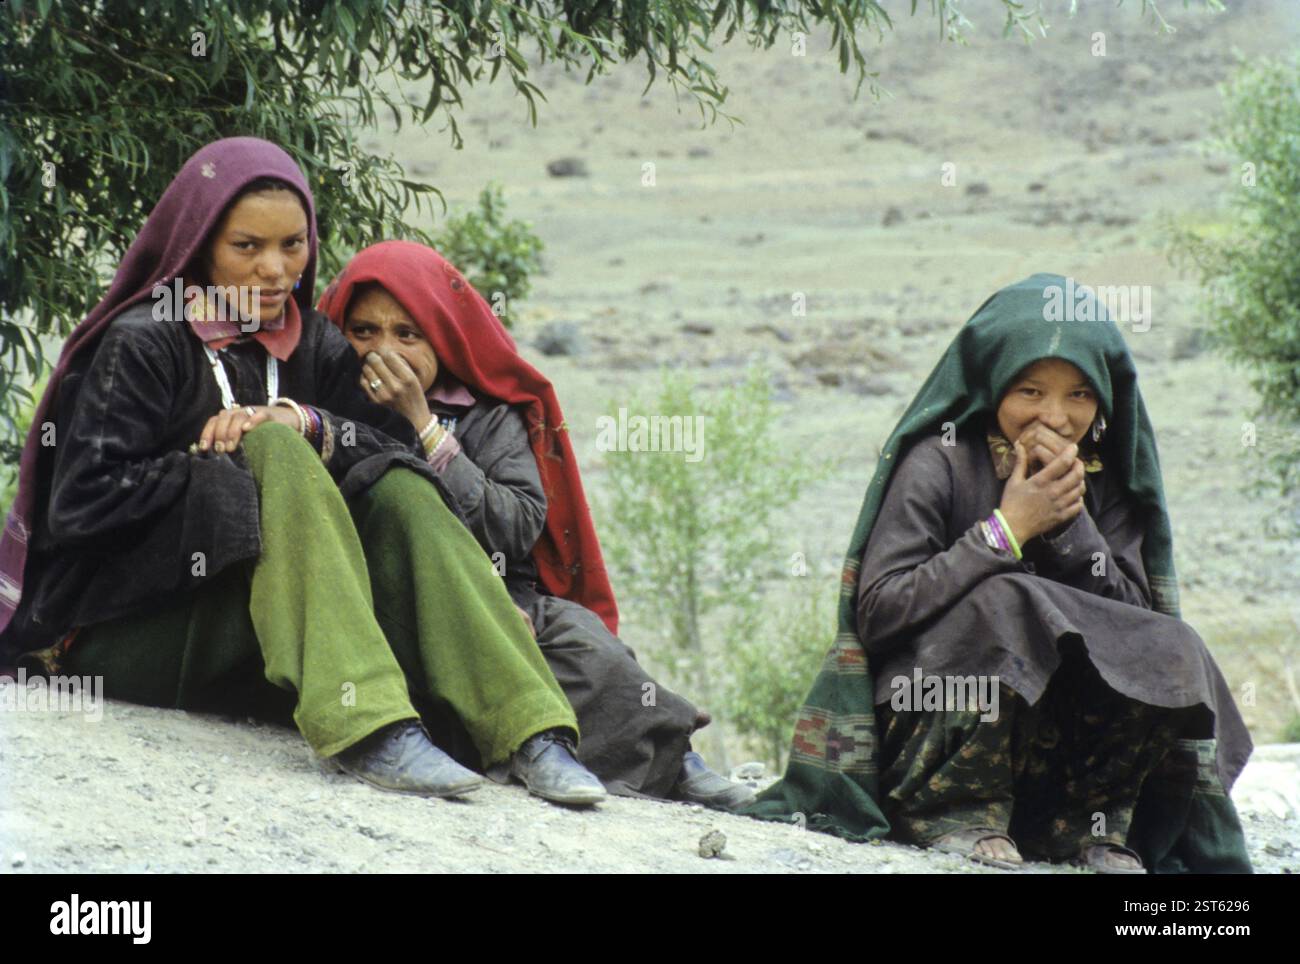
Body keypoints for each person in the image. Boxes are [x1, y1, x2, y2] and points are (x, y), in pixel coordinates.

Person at [0, 137, 608, 806]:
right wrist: (232, 467)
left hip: (265, 643)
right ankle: (369, 728)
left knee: (397, 487)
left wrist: (308, 421)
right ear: (201, 245)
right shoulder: (145, 341)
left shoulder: (315, 343)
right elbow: (81, 509)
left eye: (293, 245)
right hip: (135, 638)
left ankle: (529, 730)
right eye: (247, 247)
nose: (274, 268)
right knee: (272, 452)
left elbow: (398, 458)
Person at [742, 273, 1253, 873]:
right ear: (992, 383)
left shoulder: (1107, 481)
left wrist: (1069, 526)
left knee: (1174, 646)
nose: (1056, 416)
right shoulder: (939, 461)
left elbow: (1135, 627)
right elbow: (878, 613)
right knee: (1010, 601)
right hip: (930, 726)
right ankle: (959, 815)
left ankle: (1082, 826)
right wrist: (1005, 531)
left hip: (1049, 754)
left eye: (1080, 395)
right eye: (1030, 390)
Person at [316, 240, 755, 809]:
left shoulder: (488, 413)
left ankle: (672, 761)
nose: (384, 351)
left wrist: (424, 427)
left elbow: (517, 525)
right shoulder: (326, 409)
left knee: (583, 646)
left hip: (505, 589)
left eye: (408, 334)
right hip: (392, 597)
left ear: (442, 338)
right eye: (363, 332)